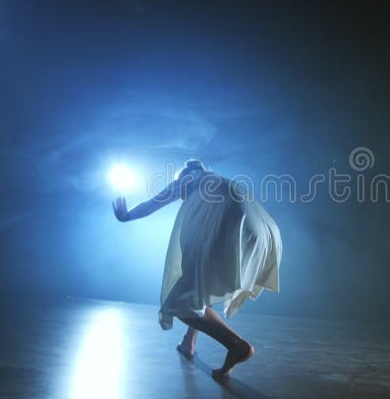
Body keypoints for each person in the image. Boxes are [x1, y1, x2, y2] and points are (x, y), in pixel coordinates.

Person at [112, 159, 282, 378]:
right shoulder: (219, 182)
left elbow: (155, 203)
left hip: (228, 228)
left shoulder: (189, 178)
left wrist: (127, 216)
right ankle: (188, 342)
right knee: (199, 285)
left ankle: (237, 345)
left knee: (179, 304)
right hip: (262, 231)